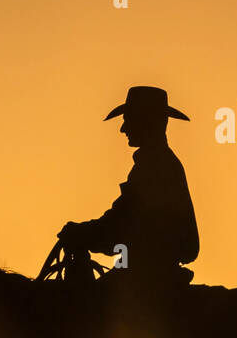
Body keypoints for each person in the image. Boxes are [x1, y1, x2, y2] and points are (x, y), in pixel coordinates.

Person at [58, 85, 199, 290]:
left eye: (128, 119)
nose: (123, 129)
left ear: (146, 121)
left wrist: (80, 234)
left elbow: (119, 226)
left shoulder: (154, 166)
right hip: (154, 270)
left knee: (86, 303)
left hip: (146, 276)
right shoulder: (160, 163)